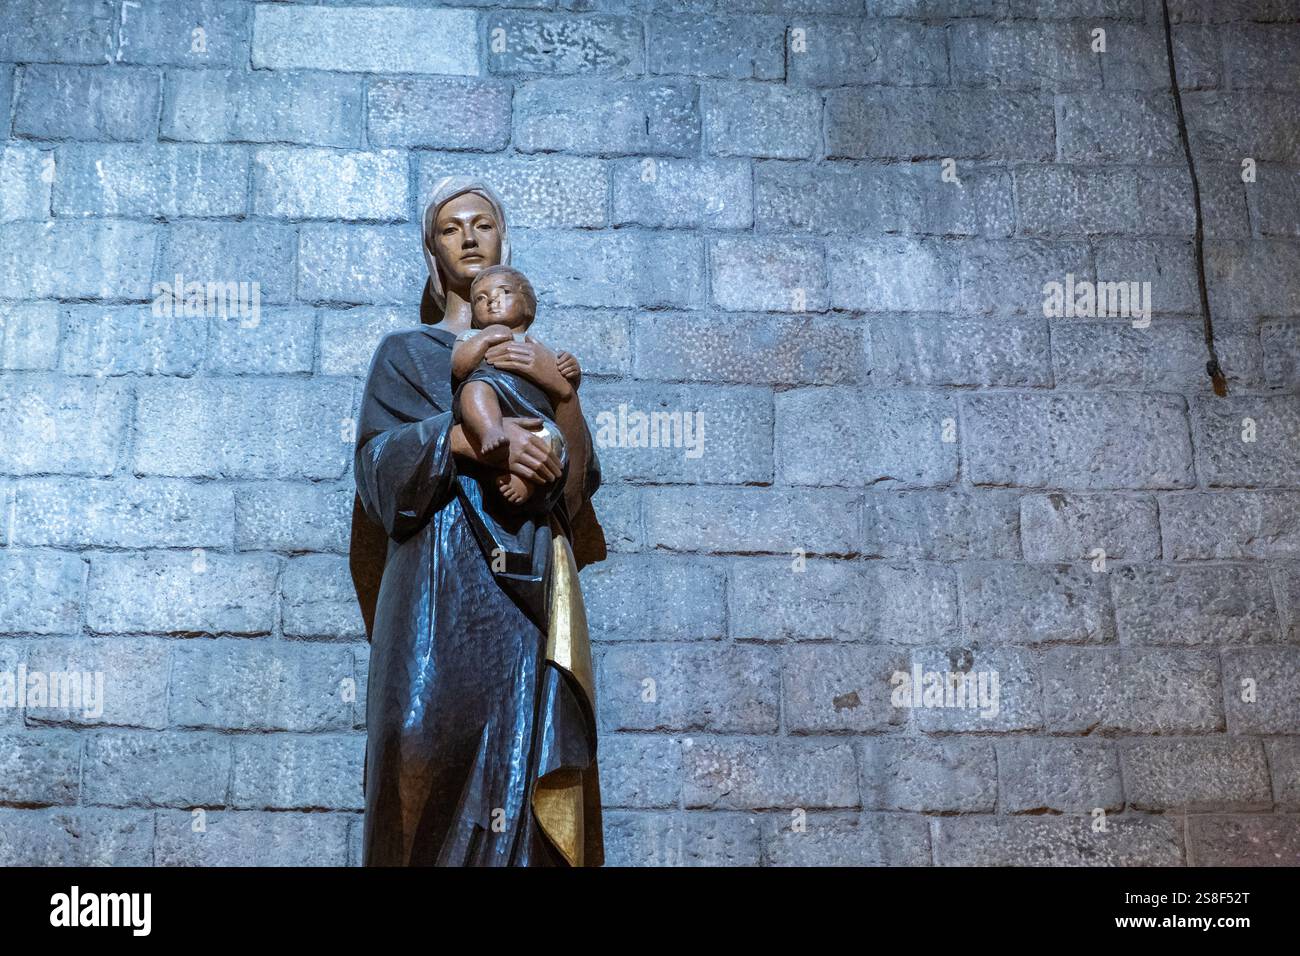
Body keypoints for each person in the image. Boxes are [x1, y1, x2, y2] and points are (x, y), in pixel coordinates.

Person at [353, 177, 604, 866]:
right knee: (413, 745)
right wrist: (468, 441)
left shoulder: (540, 362)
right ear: (432, 254)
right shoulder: (406, 354)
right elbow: (378, 478)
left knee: (521, 767)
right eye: (450, 228)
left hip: (521, 597)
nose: (468, 236)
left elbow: (575, 494)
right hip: (433, 590)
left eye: (483, 223)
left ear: (503, 241)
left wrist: (561, 396)